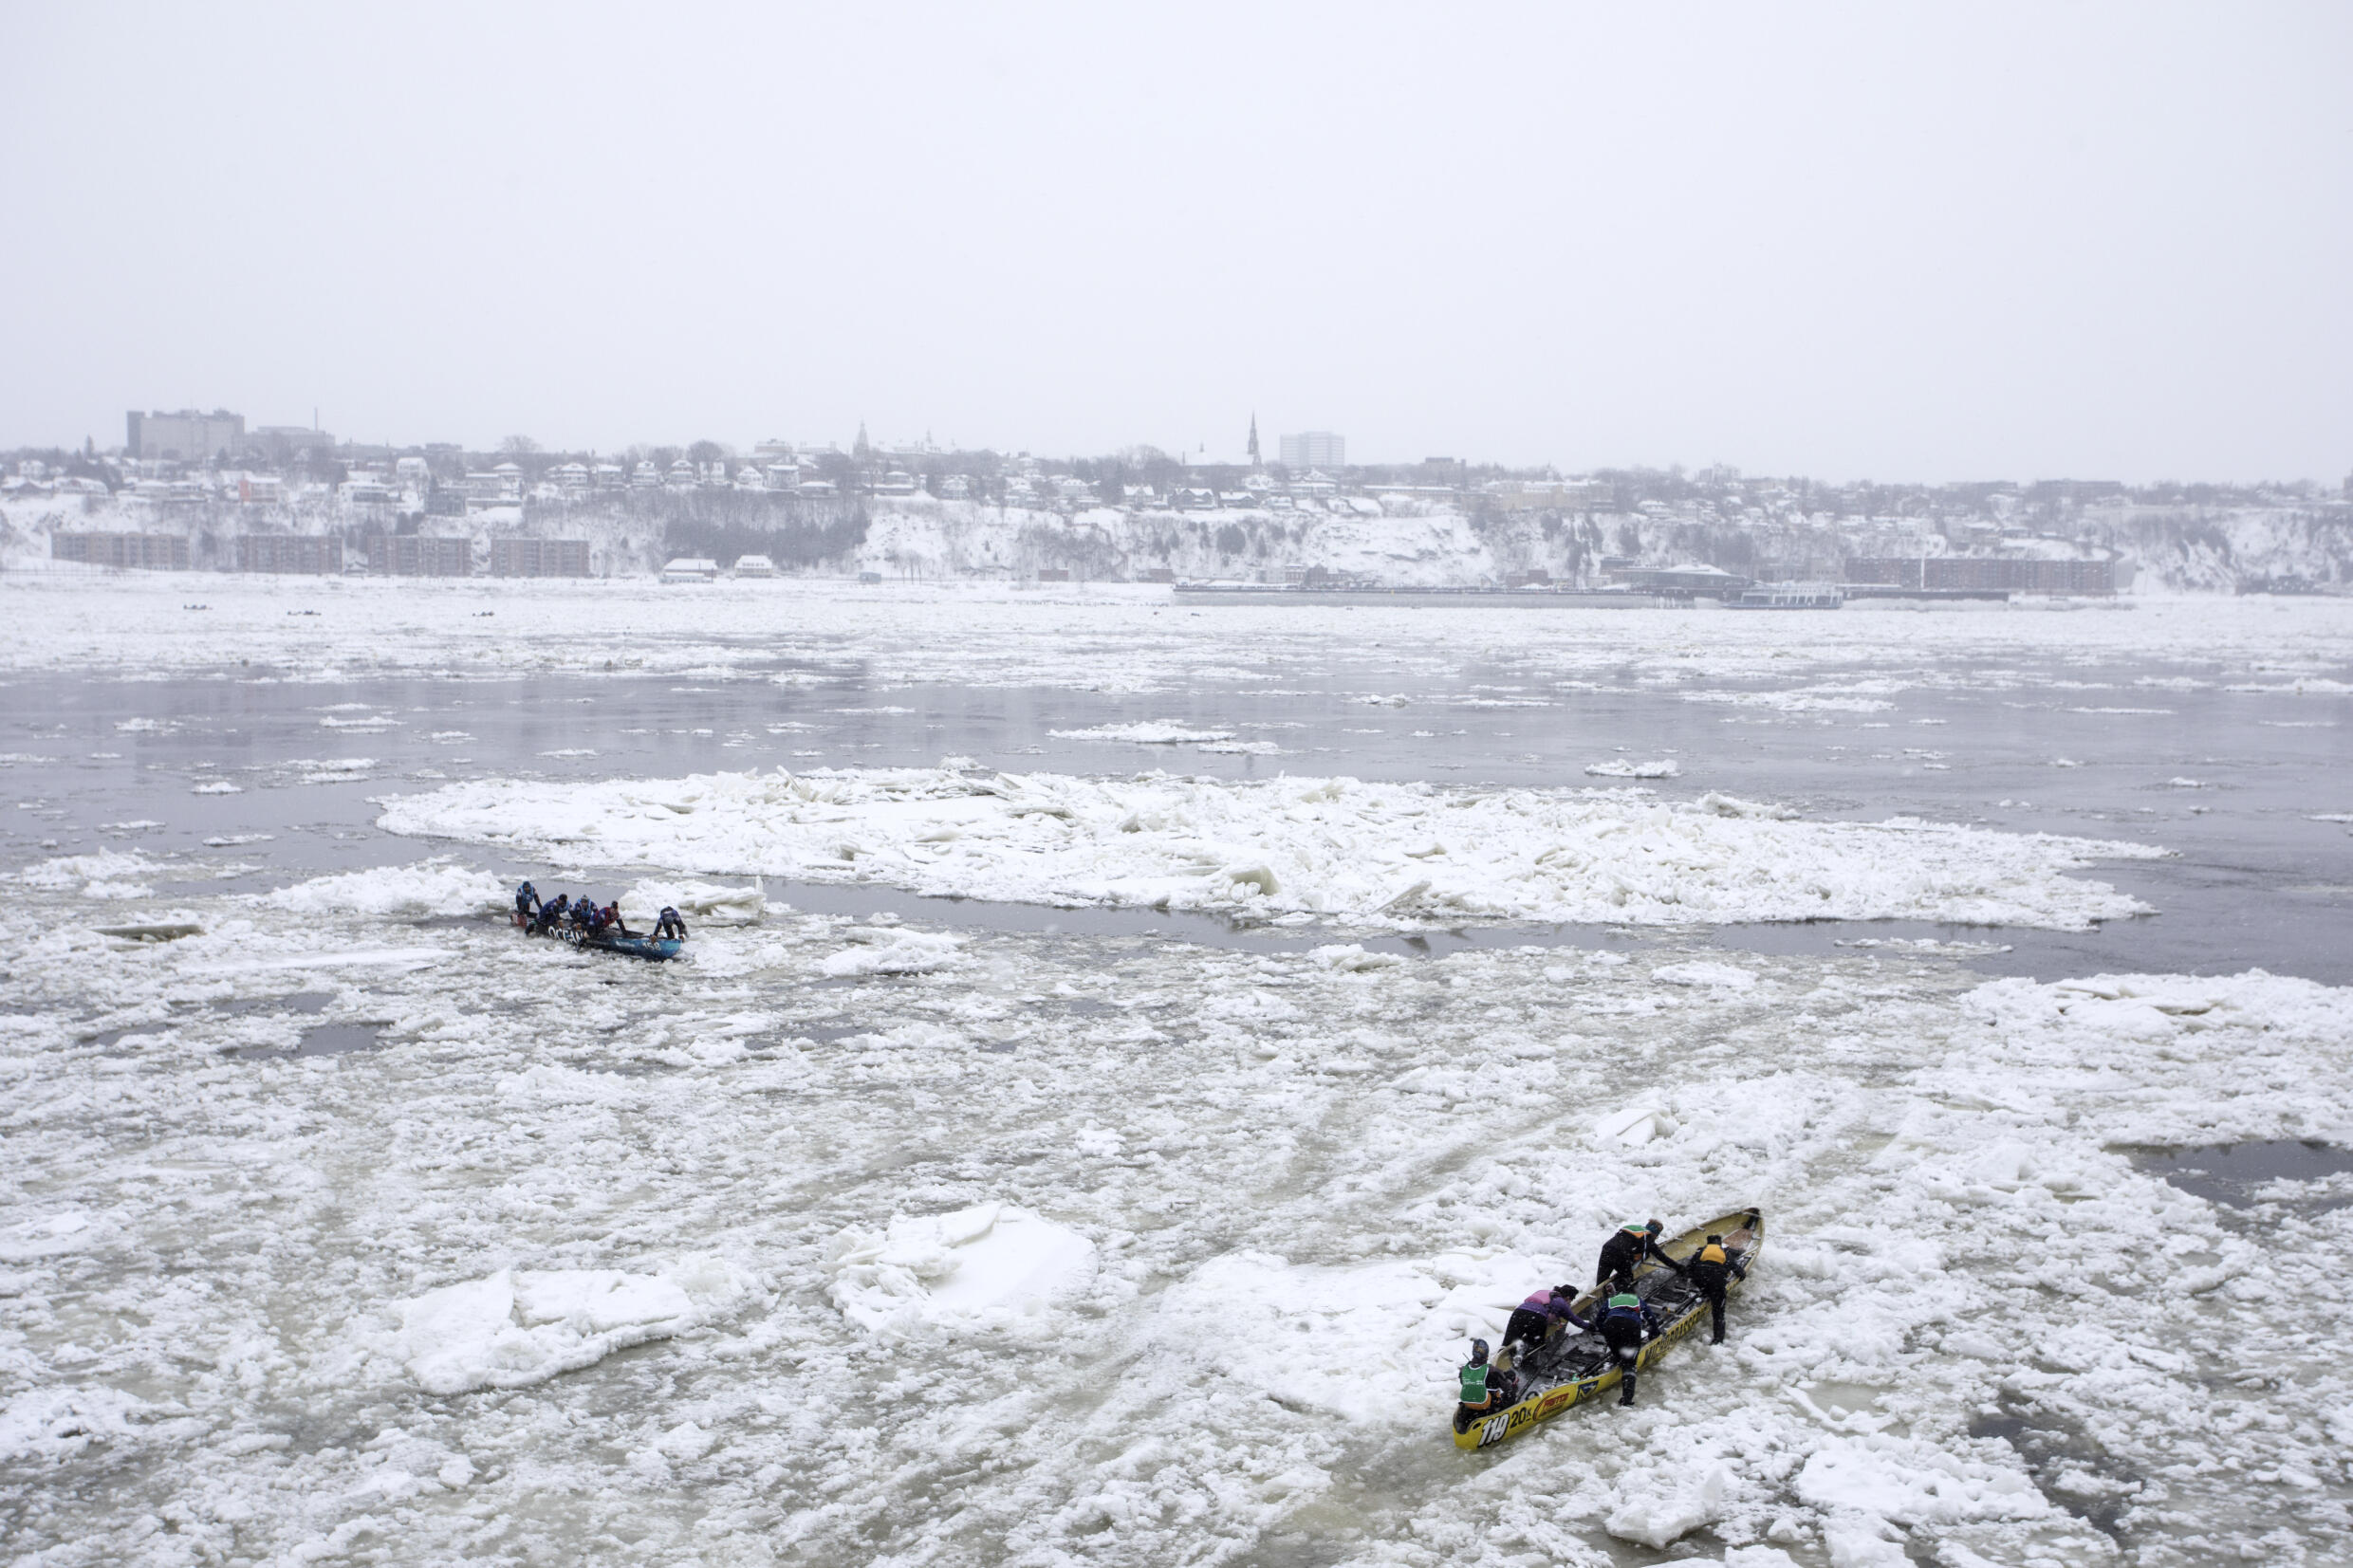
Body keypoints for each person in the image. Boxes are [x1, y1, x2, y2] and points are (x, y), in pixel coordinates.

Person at [1598, 1291, 1662, 1407]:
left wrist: (1607, 1333)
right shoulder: (1637, 1300)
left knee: (1617, 1351)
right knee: (1630, 1364)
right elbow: (1651, 1318)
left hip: (1611, 1324)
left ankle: (1616, 1358)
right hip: (1631, 1326)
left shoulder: (1611, 1301)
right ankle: (1627, 1401)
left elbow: (1599, 1320)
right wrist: (1654, 1333)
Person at [1686, 1233, 1749, 1345]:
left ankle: (1705, 1293)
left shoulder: (1700, 1252)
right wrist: (1741, 1275)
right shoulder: (1724, 1253)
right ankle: (1718, 1340)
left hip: (1702, 1282)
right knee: (1718, 1313)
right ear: (1720, 1244)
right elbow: (1739, 1271)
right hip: (1717, 1283)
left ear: (1708, 1243)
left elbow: (1689, 1269)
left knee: (1703, 1279)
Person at [1504, 1284, 1593, 1361]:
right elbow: (1574, 1319)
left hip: (1519, 1312)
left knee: (1508, 1342)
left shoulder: (1543, 1292)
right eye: (1572, 1300)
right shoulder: (1561, 1302)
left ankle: (1504, 1357)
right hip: (1537, 1316)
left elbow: (1537, 1305)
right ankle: (1522, 1355)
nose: (1570, 1303)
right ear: (1568, 1298)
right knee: (1537, 1345)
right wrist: (1589, 1326)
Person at [1597, 1219, 1686, 1293]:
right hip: (1620, 1254)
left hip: (1606, 1250)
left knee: (1600, 1283)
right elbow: (1662, 1257)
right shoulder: (1648, 1239)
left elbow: (1624, 1242)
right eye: (1657, 1237)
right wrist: (1679, 1267)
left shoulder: (1633, 1229)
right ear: (1654, 1234)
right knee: (1627, 1278)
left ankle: (1599, 1298)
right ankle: (1616, 1288)